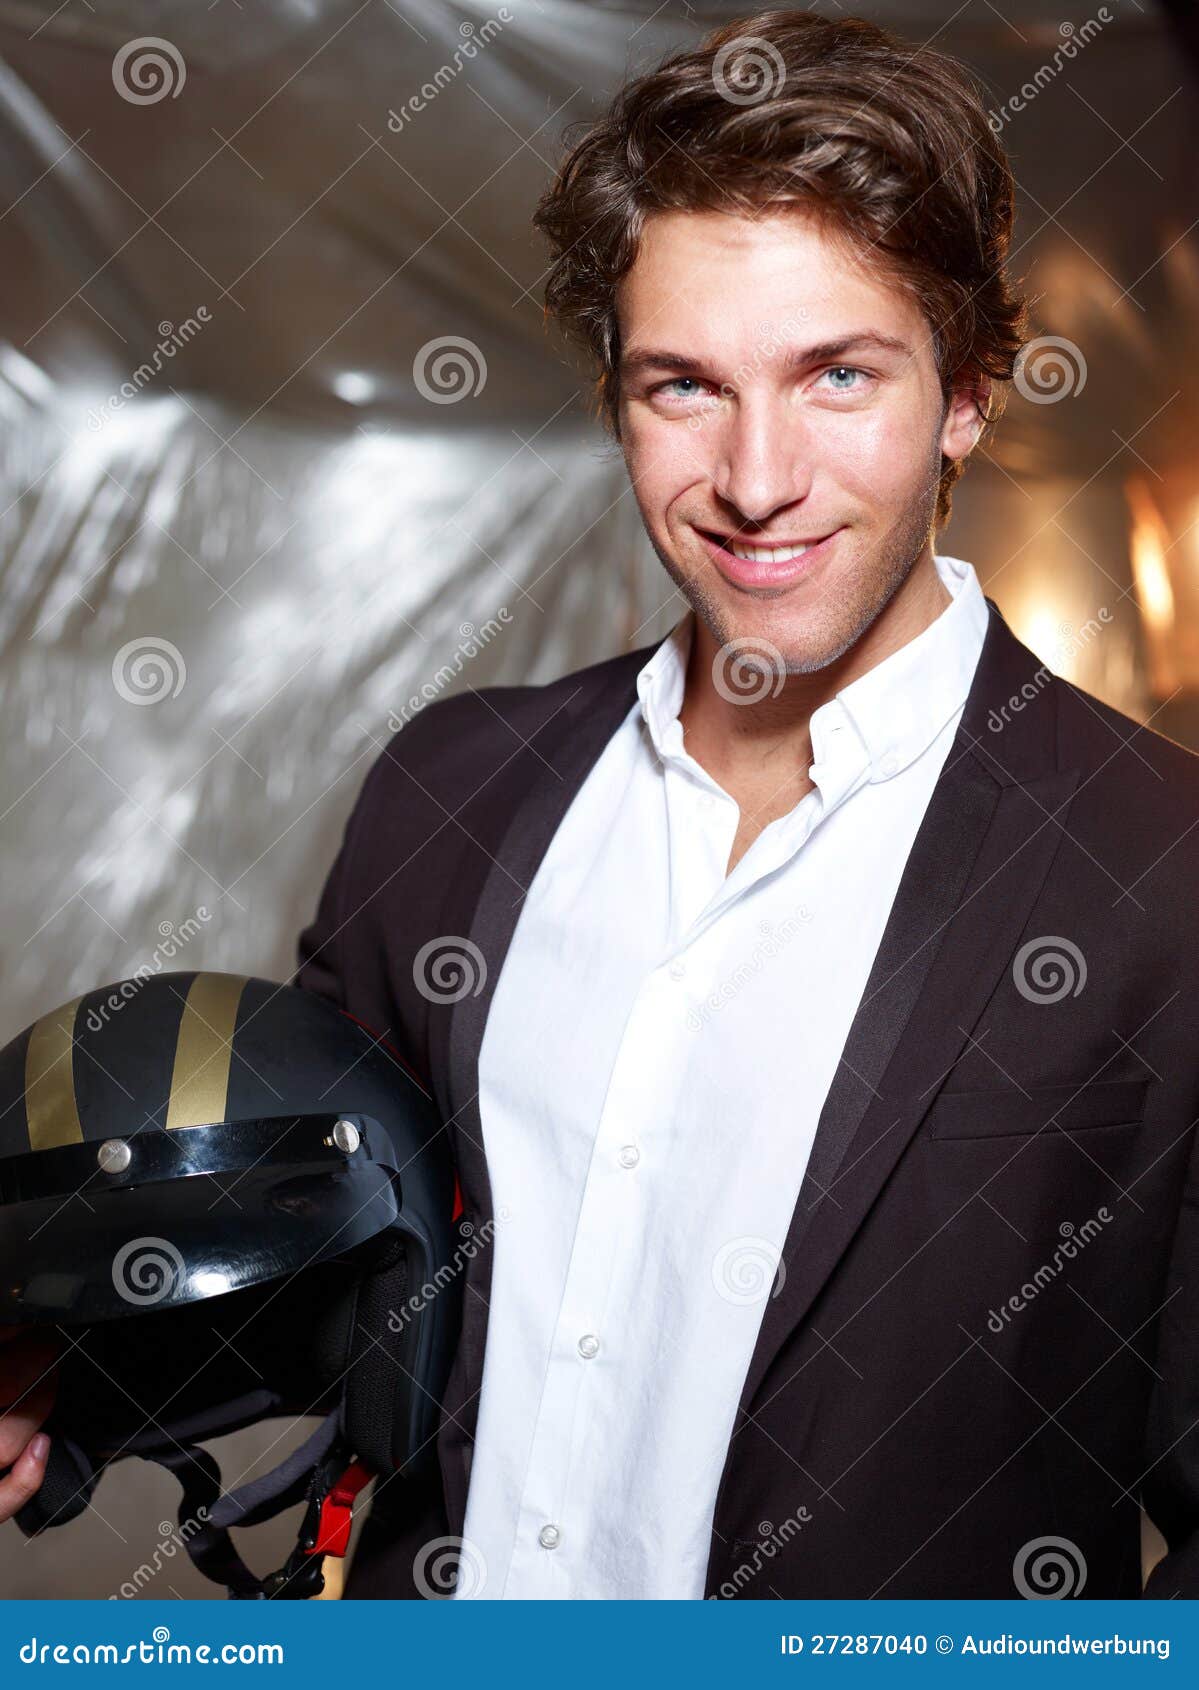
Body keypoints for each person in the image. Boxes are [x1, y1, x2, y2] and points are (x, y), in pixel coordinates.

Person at [6, 10, 1198, 1600]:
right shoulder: (452, 789)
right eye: (683, 386)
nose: (756, 475)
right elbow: (339, 1258)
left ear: (970, 389)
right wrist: (60, 1378)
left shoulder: (1158, 874)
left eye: (838, 373)